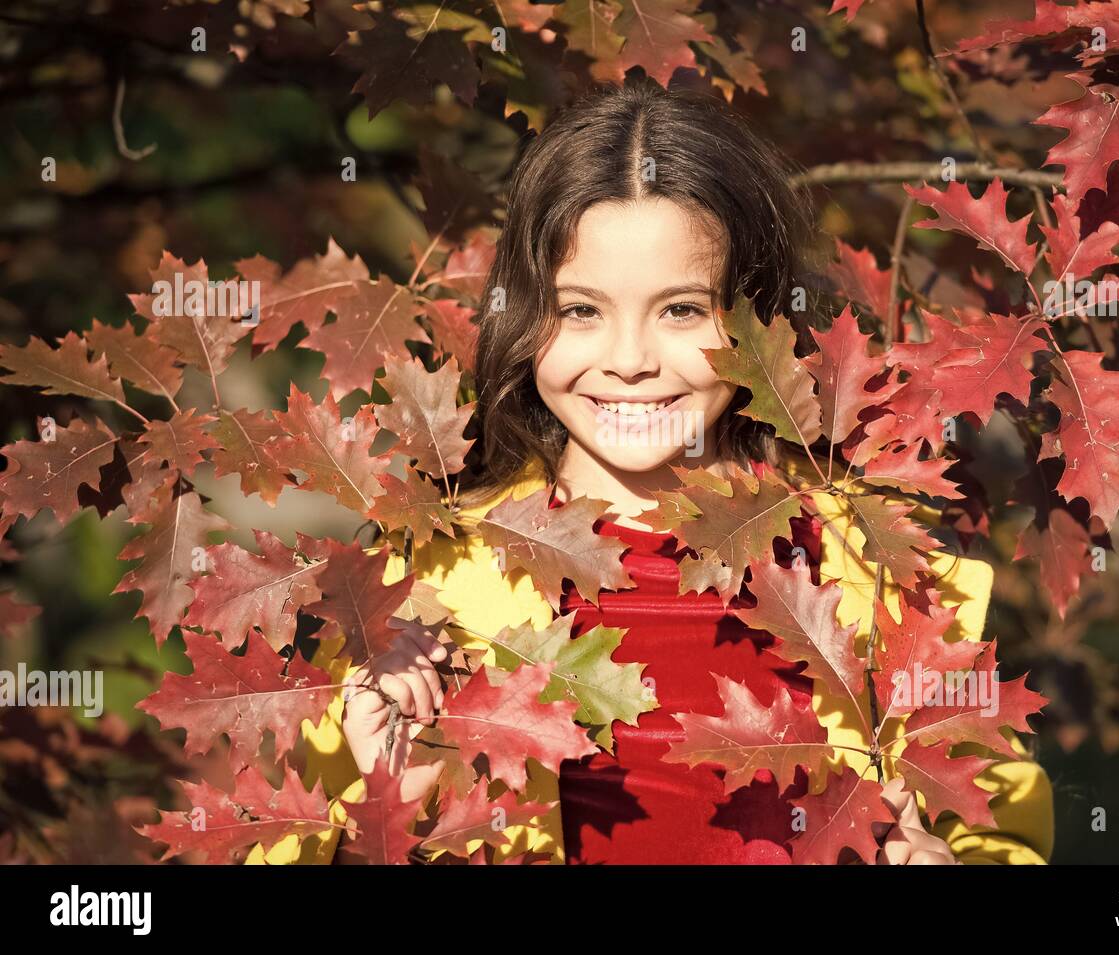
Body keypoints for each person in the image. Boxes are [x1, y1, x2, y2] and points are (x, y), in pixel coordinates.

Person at [247, 80, 1054, 866]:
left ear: (755, 318)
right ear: (525, 320)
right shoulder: (418, 593)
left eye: (680, 310)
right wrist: (391, 821)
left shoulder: (881, 580)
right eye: (580, 310)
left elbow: (994, 828)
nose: (629, 361)